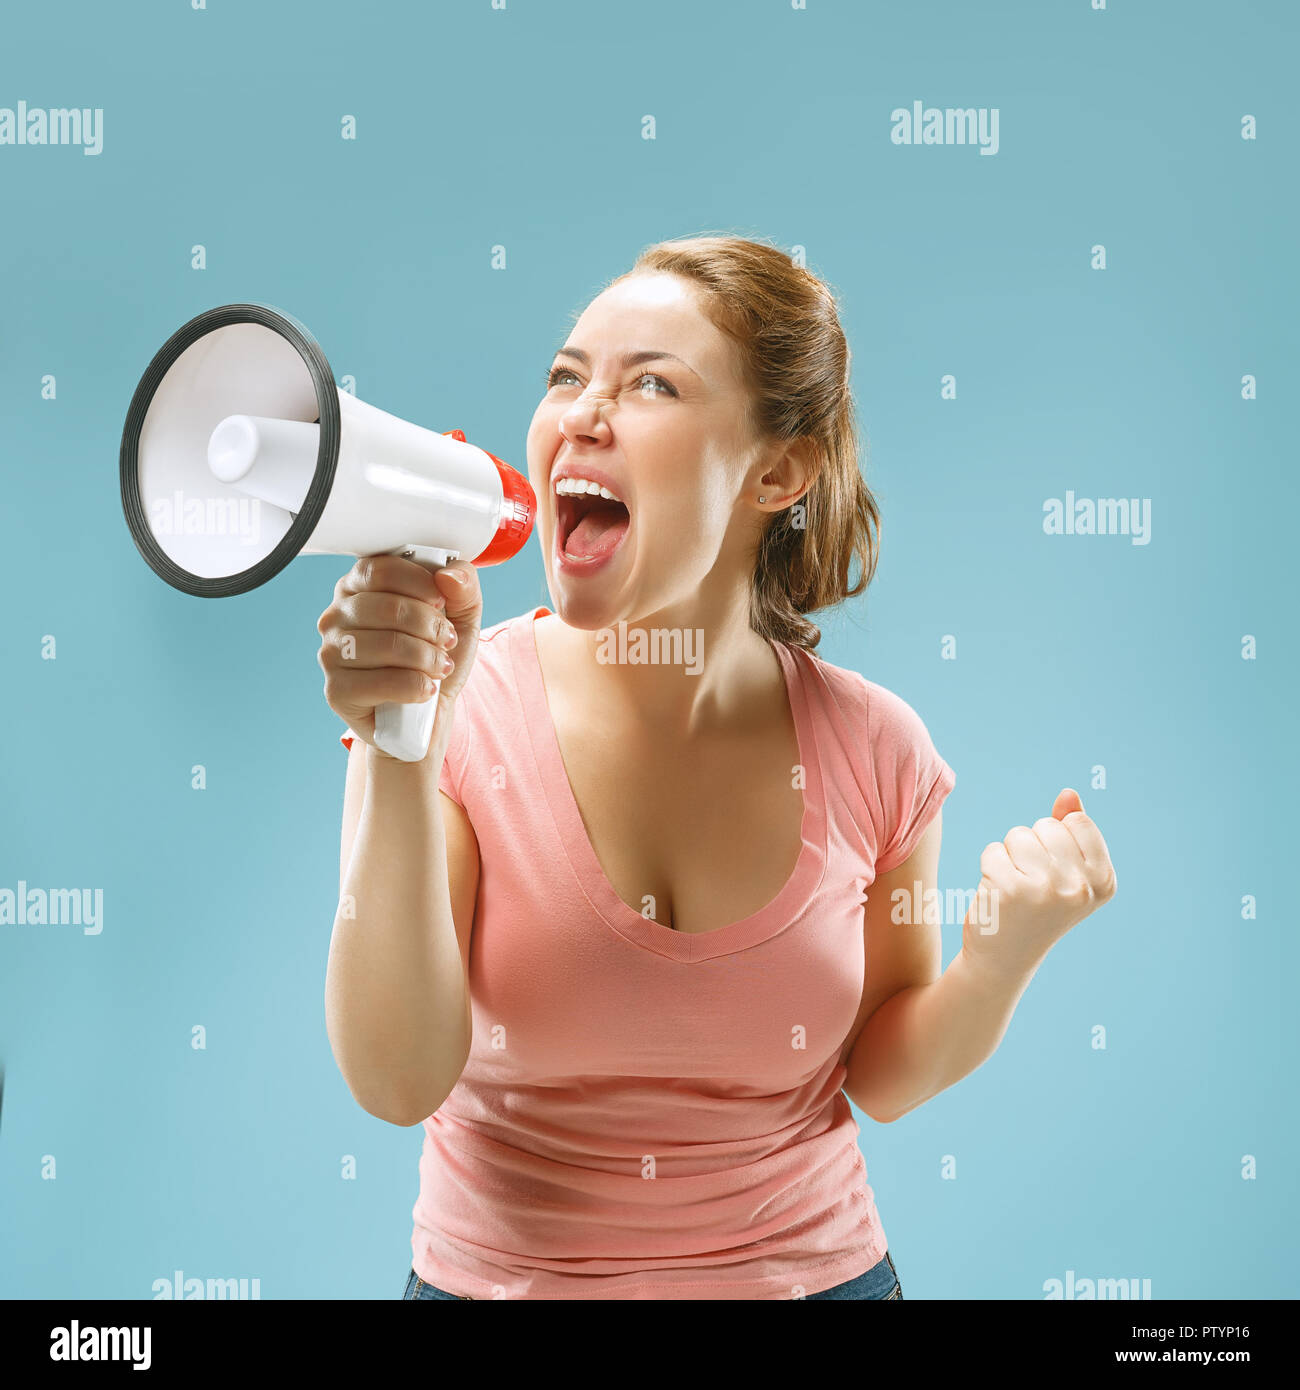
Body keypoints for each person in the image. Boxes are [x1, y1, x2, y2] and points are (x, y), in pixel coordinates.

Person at [318, 234, 1118, 1301]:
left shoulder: (877, 749)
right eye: (565, 377)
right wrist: (400, 741)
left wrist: (1002, 957)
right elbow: (393, 1078)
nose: (580, 414)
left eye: (651, 382)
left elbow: (879, 1073)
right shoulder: (457, 711)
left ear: (777, 470)